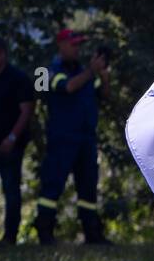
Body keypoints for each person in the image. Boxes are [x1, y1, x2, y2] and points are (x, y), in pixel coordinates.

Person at [35, 30, 111, 246]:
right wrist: (91, 71)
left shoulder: (83, 71)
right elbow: (67, 87)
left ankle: (92, 234)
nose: (77, 49)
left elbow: (103, 96)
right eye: (73, 45)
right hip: (61, 139)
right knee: (52, 187)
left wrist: (104, 79)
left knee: (88, 188)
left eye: (79, 45)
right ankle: (45, 233)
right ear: (61, 45)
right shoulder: (49, 70)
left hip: (86, 139)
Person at [0, 37, 35, 249]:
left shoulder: (18, 79)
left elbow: (26, 111)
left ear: (1, 54)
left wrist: (11, 138)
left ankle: (10, 237)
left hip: (11, 146)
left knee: (11, 191)